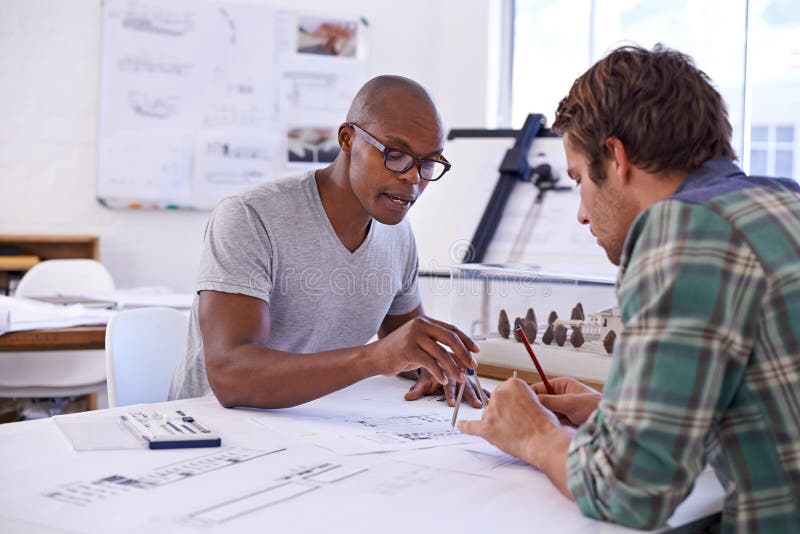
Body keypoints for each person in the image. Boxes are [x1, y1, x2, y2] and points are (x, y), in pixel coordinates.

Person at [459, 44, 800, 531]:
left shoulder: (683, 232)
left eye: (579, 179)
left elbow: (627, 491)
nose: (581, 212)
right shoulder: (781, 202)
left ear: (616, 158)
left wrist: (534, 435)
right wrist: (613, 414)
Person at [170, 75, 487, 409]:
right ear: (347, 139)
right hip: (210, 431)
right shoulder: (249, 217)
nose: (413, 176)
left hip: (315, 426)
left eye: (428, 162)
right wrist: (372, 358)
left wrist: (439, 369)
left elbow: (405, 348)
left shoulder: (397, 234)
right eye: (395, 154)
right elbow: (231, 377)